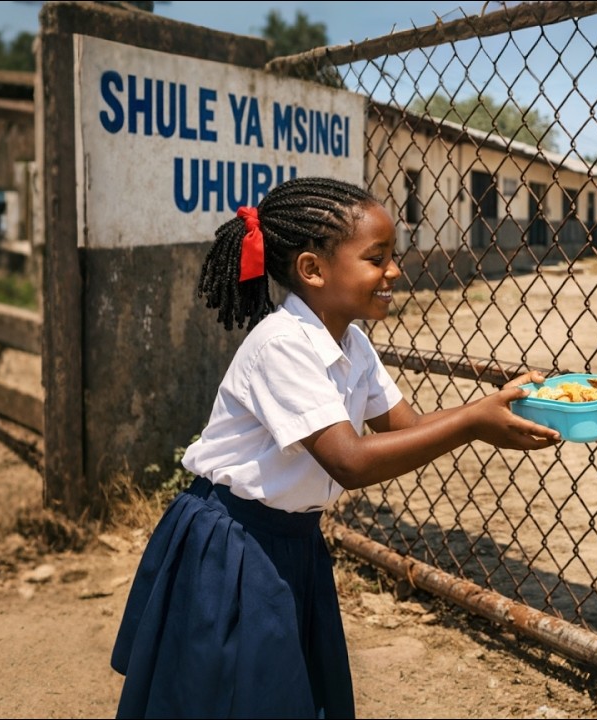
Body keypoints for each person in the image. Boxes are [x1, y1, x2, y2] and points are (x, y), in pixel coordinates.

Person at [109, 176, 561, 719]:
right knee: (225, 696)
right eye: (376, 258)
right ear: (313, 269)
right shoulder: (281, 345)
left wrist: (494, 411)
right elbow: (349, 461)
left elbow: (405, 428)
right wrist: (470, 423)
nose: (394, 271)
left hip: (293, 542)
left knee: (287, 693)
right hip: (231, 544)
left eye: (393, 256)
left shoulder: (351, 342)